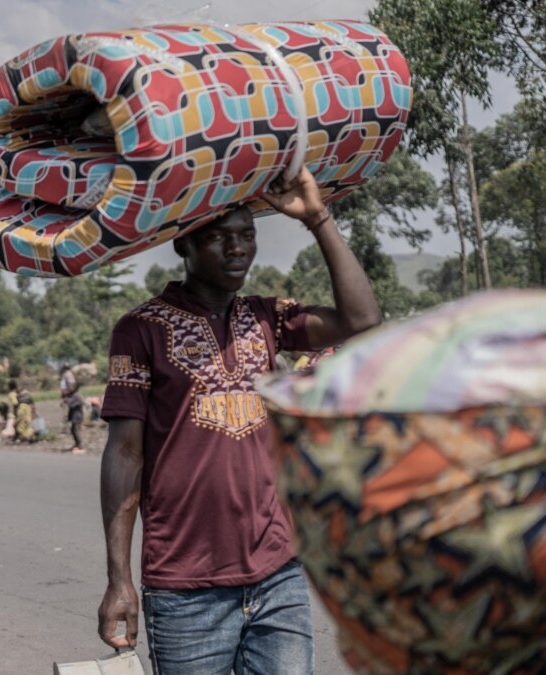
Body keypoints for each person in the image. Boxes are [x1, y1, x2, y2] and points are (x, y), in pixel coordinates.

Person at [97, 167, 382, 674]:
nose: (237, 249)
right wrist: (119, 578)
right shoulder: (140, 330)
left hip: (279, 576)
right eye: (218, 238)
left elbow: (361, 321)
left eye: (246, 235)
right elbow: (125, 453)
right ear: (183, 244)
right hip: (186, 589)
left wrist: (317, 218)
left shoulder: (269, 317)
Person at [59, 364, 85, 453]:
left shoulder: (75, 396)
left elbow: (72, 404)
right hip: (75, 413)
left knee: (75, 429)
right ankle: (77, 444)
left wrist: (65, 399)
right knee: (73, 429)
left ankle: (79, 445)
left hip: (77, 415)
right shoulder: (69, 375)